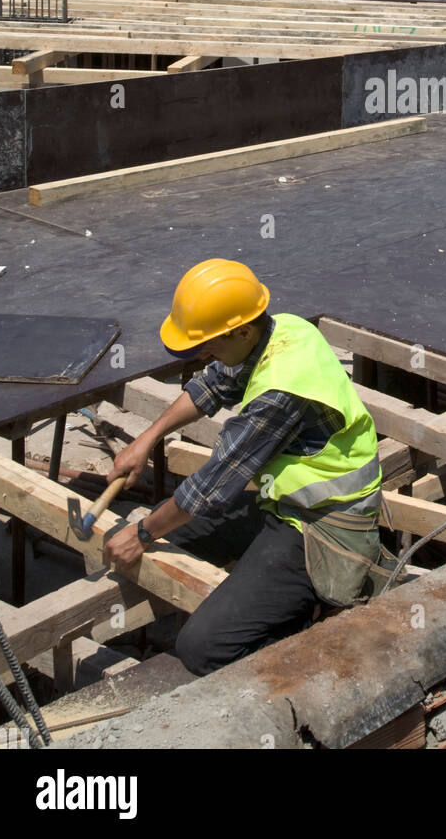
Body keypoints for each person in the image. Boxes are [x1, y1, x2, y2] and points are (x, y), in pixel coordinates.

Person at [102, 260, 387, 677]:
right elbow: (211, 385)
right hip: (282, 502)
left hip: (323, 524)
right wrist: (145, 440)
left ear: (242, 330)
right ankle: (261, 604)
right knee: (171, 537)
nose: (204, 354)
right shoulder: (280, 329)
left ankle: (307, 637)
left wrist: (143, 532)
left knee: (202, 648)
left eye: (209, 345)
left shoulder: (280, 393)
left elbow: (209, 488)